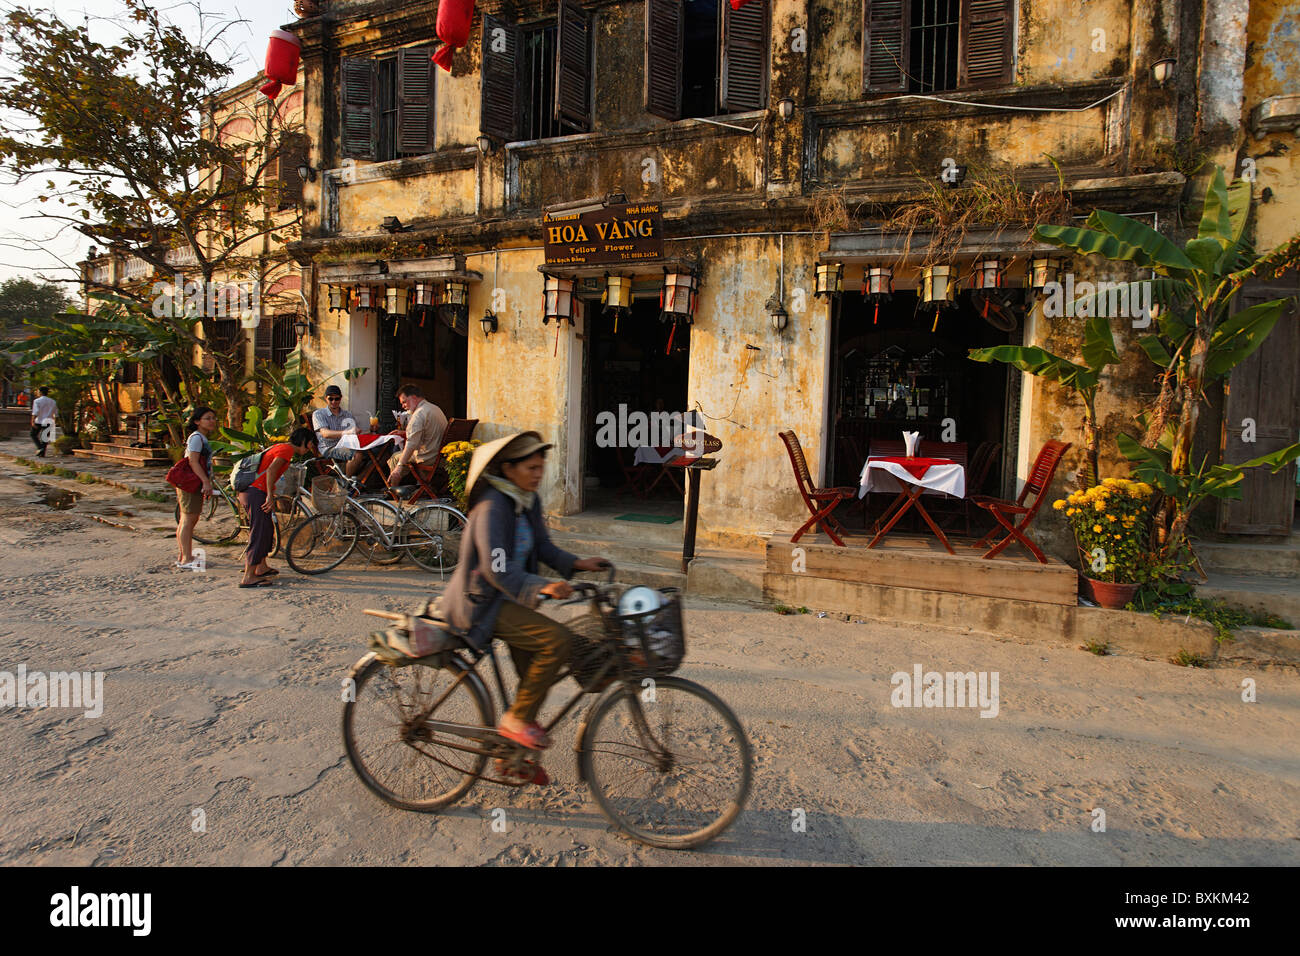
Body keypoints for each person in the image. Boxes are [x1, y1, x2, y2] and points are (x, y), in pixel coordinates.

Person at [440, 432, 609, 751]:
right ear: (508, 469)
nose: (538, 474)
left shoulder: (526, 501)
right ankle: (515, 723)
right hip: (484, 602)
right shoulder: (493, 507)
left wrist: (578, 564)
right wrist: (542, 585)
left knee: (537, 675)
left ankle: (512, 754)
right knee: (557, 642)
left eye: (540, 467)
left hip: (511, 598)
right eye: (530, 467)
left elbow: (543, 547)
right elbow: (496, 568)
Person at [236, 426, 317, 588]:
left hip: (254, 492)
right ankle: (248, 576)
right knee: (259, 532)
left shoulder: (282, 448)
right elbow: (272, 470)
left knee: (266, 528)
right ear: (304, 441)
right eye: (310, 444)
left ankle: (261, 567)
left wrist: (269, 493)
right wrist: (268, 495)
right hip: (256, 492)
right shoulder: (286, 450)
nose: (310, 449)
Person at [175, 407, 217, 570]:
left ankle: (184, 555)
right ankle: (186, 558)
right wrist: (205, 481)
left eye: (213, 418)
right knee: (188, 519)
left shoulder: (201, 438)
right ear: (197, 421)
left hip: (193, 482)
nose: (212, 421)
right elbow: (193, 461)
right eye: (208, 418)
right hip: (190, 483)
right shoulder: (196, 438)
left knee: (188, 519)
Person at [387, 384, 447, 487]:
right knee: (406, 454)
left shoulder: (419, 414)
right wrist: (405, 433)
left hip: (428, 457)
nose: (403, 406)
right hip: (440, 456)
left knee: (395, 457)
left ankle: (392, 491)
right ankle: (422, 486)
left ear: (414, 397)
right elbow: (429, 432)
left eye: (404, 402)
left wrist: (399, 466)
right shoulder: (435, 408)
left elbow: (411, 444)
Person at [311, 384, 364, 476]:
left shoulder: (347, 414)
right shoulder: (319, 414)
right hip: (330, 447)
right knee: (356, 454)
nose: (334, 401)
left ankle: (362, 479)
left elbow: (355, 433)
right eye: (330, 399)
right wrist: (347, 432)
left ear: (341, 398)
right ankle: (348, 484)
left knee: (378, 451)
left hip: (347, 445)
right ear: (326, 398)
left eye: (337, 399)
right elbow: (325, 433)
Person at [31, 386, 57, 457]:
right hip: (49, 421)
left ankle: (40, 448)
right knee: (44, 438)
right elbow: (56, 413)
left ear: (40, 392)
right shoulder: (53, 401)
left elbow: (35, 412)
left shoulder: (37, 401)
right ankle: (42, 453)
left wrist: (32, 421)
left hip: (39, 421)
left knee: (33, 434)